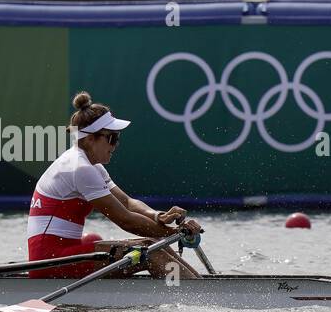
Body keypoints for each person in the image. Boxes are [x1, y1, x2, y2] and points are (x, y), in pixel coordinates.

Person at [27, 91, 202, 279]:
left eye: (117, 137)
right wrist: (175, 232)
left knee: (152, 243)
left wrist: (158, 216)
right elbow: (125, 220)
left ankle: (194, 286)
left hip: (65, 254)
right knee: (149, 251)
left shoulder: (91, 166)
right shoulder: (80, 168)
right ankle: (193, 298)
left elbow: (127, 202)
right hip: (50, 261)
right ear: (89, 138)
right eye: (111, 138)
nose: (116, 144)